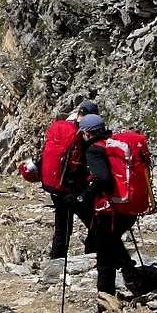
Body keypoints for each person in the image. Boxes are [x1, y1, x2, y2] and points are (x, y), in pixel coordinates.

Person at [72, 113, 141, 310]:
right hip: (127, 208)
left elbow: (103, 179)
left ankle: (105, 301)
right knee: (110, 246)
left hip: (108, 212)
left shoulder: (94, 150)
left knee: (104, 258)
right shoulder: (112, 144)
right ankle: (131, 275)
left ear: (87, 133)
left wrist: (83, 196)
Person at [48, 99, 99, 259]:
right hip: (75, 186)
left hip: (56, 185)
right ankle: (92, 255)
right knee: (94, 222)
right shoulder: (84, 131)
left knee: (62, 227)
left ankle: (56, 261)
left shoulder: (60, 127)